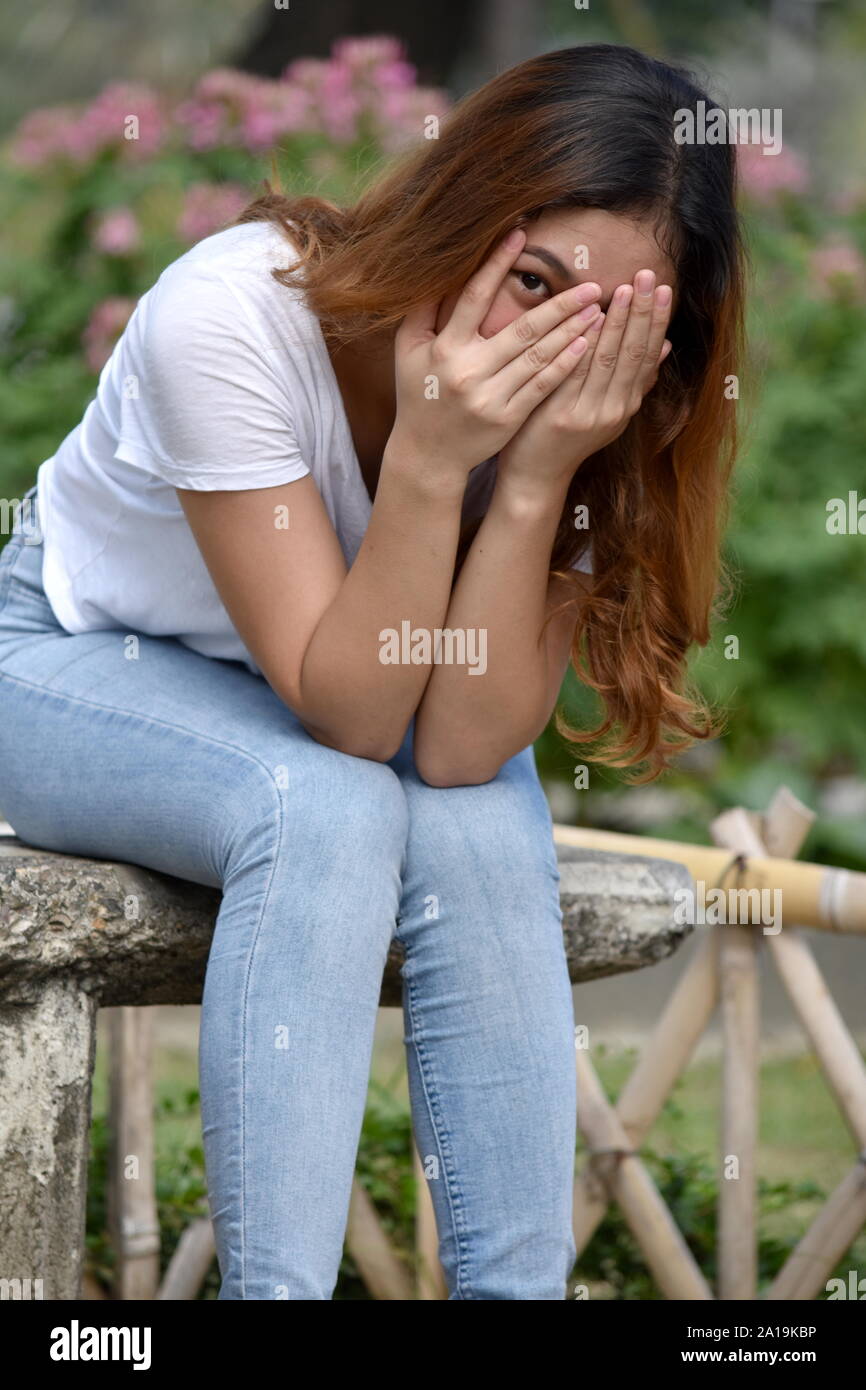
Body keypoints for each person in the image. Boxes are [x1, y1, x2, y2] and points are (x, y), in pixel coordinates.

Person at [0, 43, 743, 1300]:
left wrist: (532, 483)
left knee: (479, 820)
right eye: (531, 280)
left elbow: (454, 752)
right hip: (65, 663)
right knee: (324, 807)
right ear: (461, 212)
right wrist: (423, 460)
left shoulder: (590, 421)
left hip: (318, 707)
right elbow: (348, 716)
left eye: (607, 323)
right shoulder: (231, 317)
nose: (549, 344)